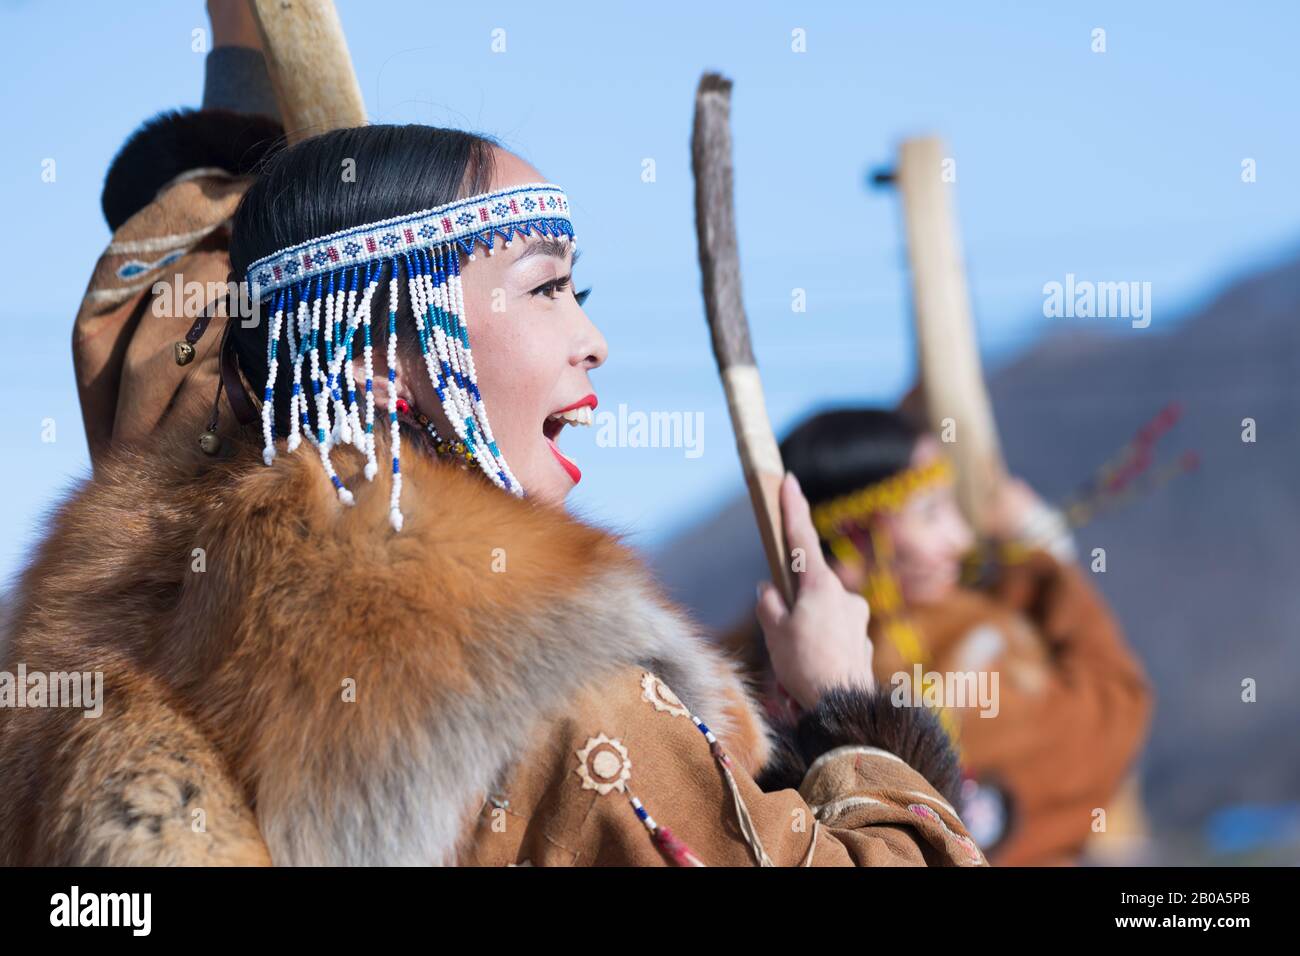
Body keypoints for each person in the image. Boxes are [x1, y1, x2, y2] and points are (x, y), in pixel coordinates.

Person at [0, 14, 982, 864]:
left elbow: (176, 316)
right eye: (549, 286)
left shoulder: (159, 556)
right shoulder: (536, 678)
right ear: (381, 350)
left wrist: (246, 54)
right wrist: (852, 713)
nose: (593, 339)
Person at [732, 408, 1153, 865]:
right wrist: (1047, 569)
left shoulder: (736, 674)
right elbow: (1114, 712)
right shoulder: (967, 646)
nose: (962, 538)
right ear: (857, 534)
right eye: (931, 513)